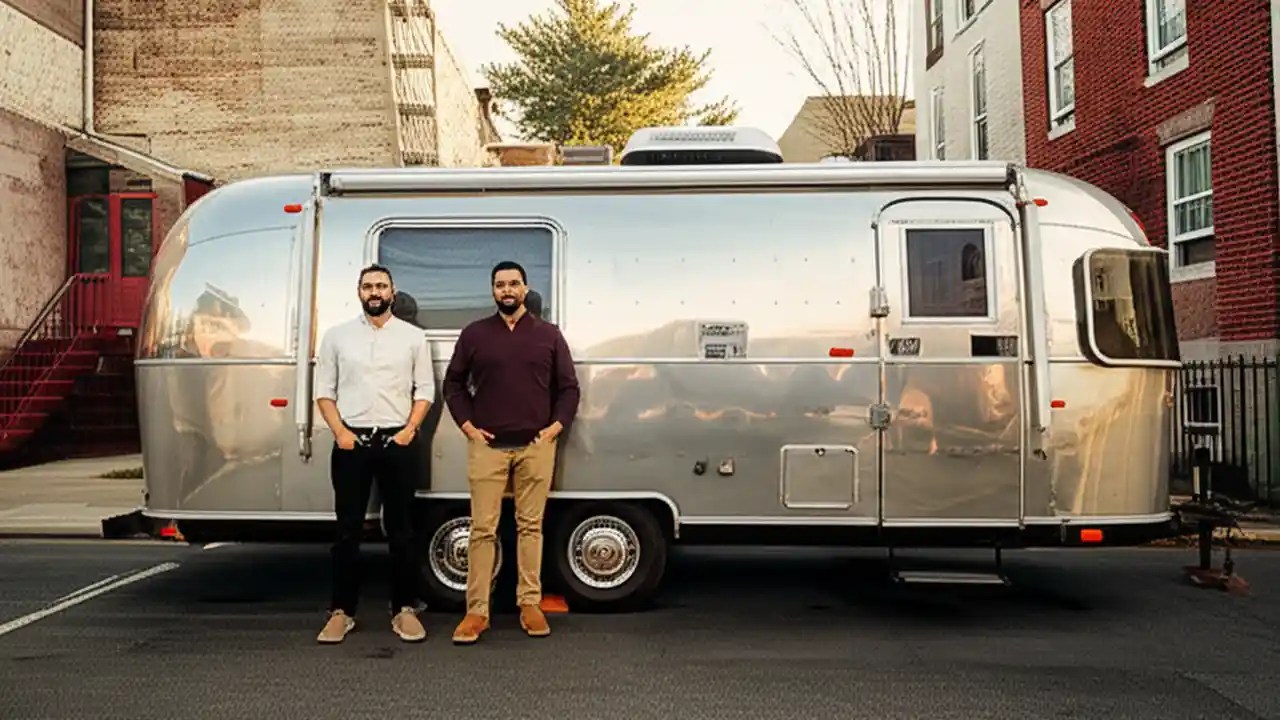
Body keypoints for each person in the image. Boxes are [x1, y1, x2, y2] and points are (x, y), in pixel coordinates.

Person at [443, 260, 580, 644]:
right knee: (482, 529)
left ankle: (530, 604)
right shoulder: (475, 334)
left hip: (536, 447)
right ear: (493, 291)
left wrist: (554, 428)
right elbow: (453, 384)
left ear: (525, 289)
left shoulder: (548, 335)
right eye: (500, 284)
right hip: (487, 448)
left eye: (514, 283)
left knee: (530, 527)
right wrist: (468, 426)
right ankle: (476, 611)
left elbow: (569, 388)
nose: (507, 290)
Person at [313, 263, 435, 644]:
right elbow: (324, 391)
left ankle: (404, 610)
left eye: (381, 286)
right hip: (352, 443)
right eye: (368, 286)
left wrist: (409, 431)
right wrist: (341, 433)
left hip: (398, 441)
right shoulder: (337, 337)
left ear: (392, 292)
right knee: (347, 531)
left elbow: (425, 390)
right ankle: (341, 612)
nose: (375, 292)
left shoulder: (414, 338)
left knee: (402, 531)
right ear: (359, 292)